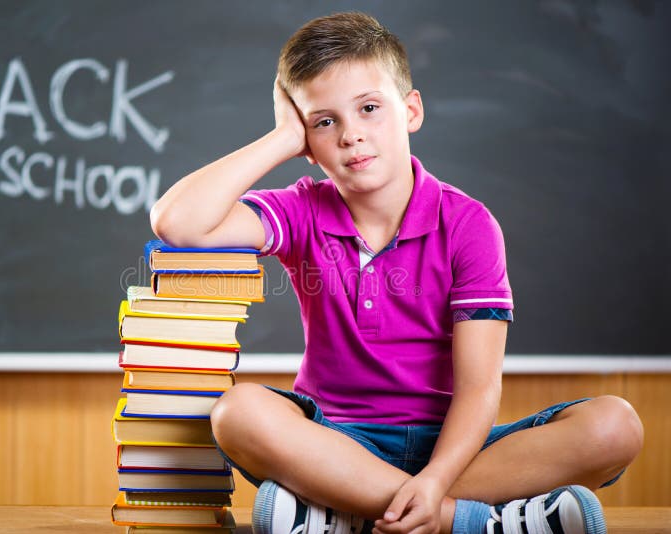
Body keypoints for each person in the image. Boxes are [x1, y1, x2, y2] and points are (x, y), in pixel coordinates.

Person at [149, 12, 643, 534]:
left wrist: (434, 481)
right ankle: (470, 522)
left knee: (614, 427)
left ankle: (349, 511)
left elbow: (478, 391)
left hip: (454, 449)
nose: (350, 136)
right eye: (324, 122)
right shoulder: (301, 210)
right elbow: (178, 223)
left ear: (411, 110)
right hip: (336, 440)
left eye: (368, 109)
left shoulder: (469, 224)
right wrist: (280, 137)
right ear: (308, 147)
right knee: (237, 413)